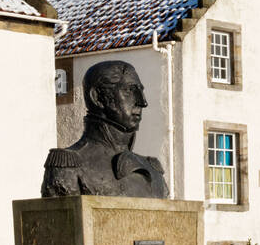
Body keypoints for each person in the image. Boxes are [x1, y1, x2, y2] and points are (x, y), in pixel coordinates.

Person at [40, 60, 169, 198]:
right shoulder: (68, 166)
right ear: (97, 97)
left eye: (140, 91)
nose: (143, 102)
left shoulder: (153, 171)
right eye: (129, 90)